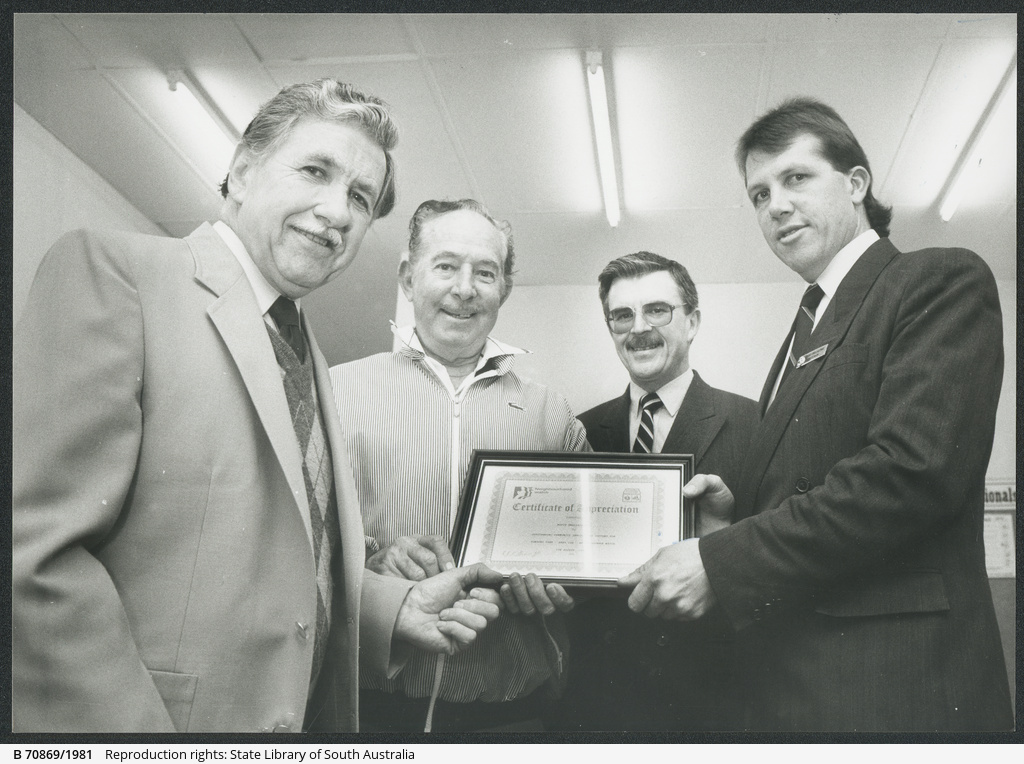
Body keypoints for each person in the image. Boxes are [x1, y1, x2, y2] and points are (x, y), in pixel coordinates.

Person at [13, 79, 504, 734]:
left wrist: (394, 609)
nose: (336, 211)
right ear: (242, 172)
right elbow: (35, 559)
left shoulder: (314, 362)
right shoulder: (117, 273)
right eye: (315, 171)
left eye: (360, 197)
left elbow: (282, 555)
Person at [619, 97, 1012, 731]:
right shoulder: (805, 328)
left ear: (856, 184)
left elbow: (909, 474)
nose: (774, 204)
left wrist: (724, 560)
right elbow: (816, 486)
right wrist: (733, 522)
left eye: (796, 178)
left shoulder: (936, 279)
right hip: (803, 689)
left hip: (894, 691)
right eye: (757, 194)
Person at [329, 198, 587, 732]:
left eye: (485, 272)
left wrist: (564, 584)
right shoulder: (335, 390)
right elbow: (297, 540)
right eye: (445, 266)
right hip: (374, 710)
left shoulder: (551, 413)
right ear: (407, 276)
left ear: (504, 289)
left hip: (515, 718)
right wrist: (373, 563)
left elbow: (587, 554)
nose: (464, 288)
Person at [547, 252, 756, 731]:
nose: (637, 328)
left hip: (708, 706)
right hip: (593, 709)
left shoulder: (756, 423)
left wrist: (719, 542)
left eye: (657, 310)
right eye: (622, 315)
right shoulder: (578, 431)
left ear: (693, 321)